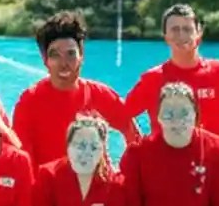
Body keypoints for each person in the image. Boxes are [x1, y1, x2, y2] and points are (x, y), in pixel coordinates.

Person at [13, 11, 139, 166]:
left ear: (82, 57)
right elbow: (22, 162)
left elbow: (132, 134)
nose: (64, 63)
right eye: (55, 55)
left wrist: (129, 176)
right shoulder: (29, 102)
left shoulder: (100, 95)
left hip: (97, 187)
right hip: (50, 189)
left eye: (71, 54)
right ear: (45, 60)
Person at [125, 4, 219, 138]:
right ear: (165, 36)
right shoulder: (152, 79)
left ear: (199, 33)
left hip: (213, 158)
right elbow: (121, 114)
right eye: (175, 29)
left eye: (187, 29)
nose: (181, 35)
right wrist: (137, 146)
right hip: (167, 158)